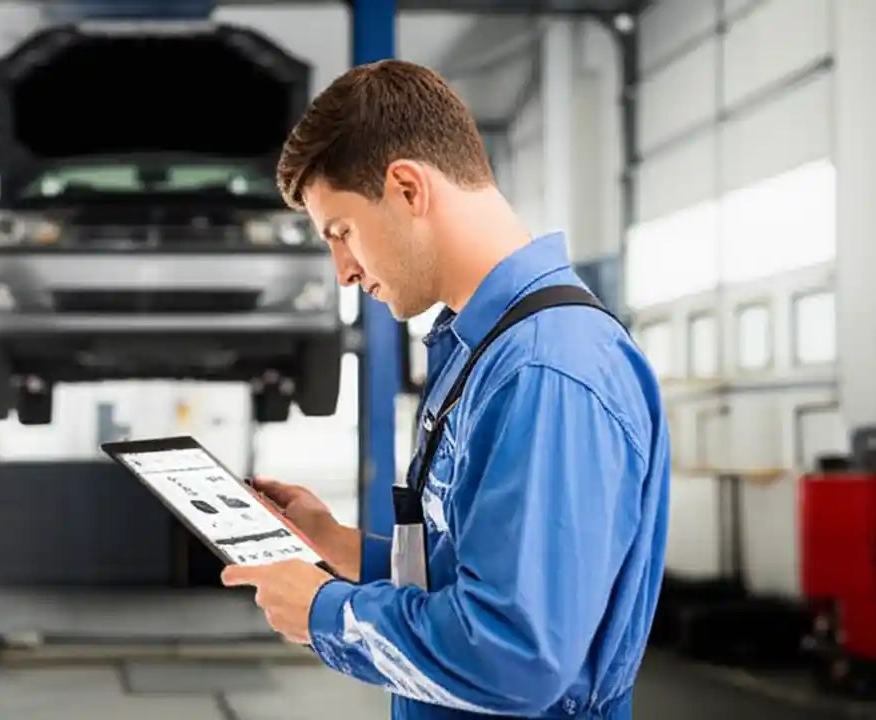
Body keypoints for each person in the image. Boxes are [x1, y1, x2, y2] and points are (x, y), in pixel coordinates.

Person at [220, 59, 671, 720]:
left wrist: (323, 613)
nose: (342, 270)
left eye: (341, 232)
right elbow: (471, 574)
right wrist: (336, 546)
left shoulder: (546, 370)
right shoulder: (483, 350)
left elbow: (516, 657)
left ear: (406, 187)